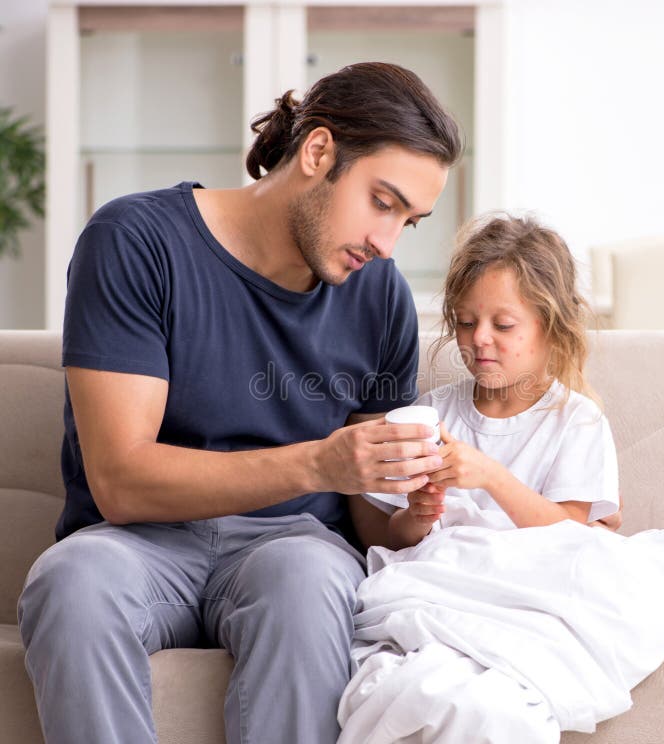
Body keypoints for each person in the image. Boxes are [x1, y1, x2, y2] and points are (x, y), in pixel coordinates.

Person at [17, 62, 462, 744]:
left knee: (312, 581)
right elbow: (120, 481)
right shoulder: (138, 242)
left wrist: (403, 516)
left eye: (410, 220)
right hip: (139, 544)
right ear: (318, 153)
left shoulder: (380, 297)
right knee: (72, 582)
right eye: (382, 201)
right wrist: (320, 464)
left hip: (291, 547)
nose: (387, 241)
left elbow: (367, 519)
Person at [347, 212, 621, 550]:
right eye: (465, 322)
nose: (479, 338)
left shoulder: (578, 421)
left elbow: (570, 534)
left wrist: (490, 477)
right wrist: (418, 516)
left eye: (503, 325)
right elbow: (395, 540)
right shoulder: (432, 412)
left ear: (553, 328)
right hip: (444, 576)